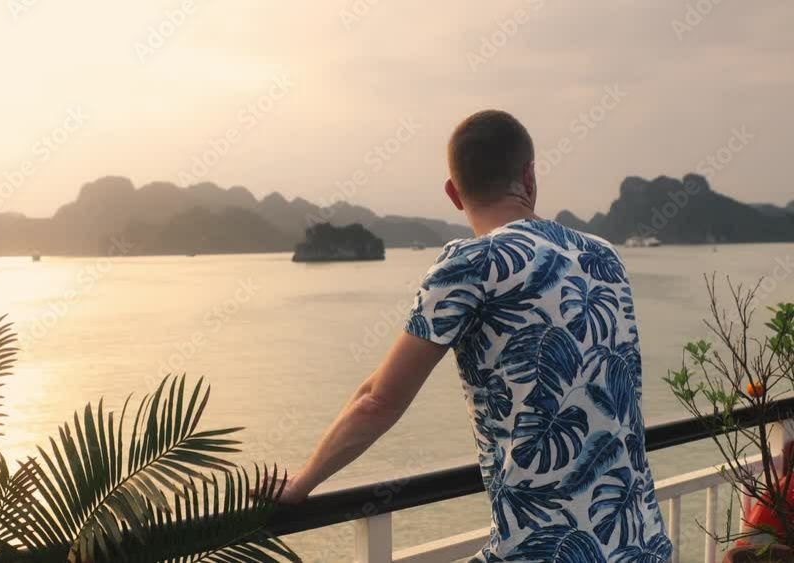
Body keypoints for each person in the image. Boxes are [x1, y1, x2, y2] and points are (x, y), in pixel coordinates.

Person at [278, 110, 671, 561]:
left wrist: (300, 483)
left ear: (452, 193)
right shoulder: (603, 256)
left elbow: (379, 400)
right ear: (529, 176)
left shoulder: (470, 265)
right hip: (641, 543)